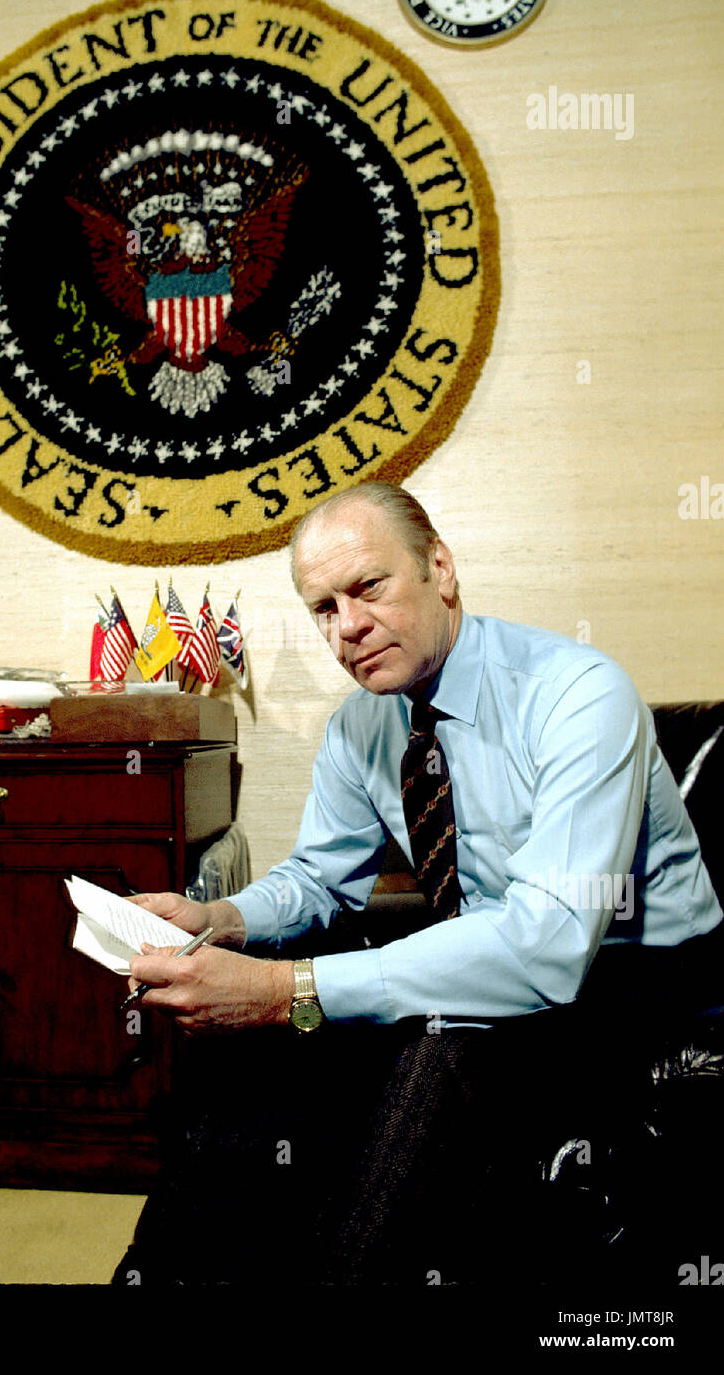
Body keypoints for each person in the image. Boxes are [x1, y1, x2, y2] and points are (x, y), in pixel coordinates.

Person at [111, 481, 722, 1286]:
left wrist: (286, 987)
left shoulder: (578, 694)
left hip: (642, 971)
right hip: (498, 946)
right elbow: (316, 880)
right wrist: (222, 915)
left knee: (441, 1031)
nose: (350, 626)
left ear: (440, 567)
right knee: (267, 1041)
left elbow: (547, 944)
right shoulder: (362, 725)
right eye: (324, 609)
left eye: (369, 587)